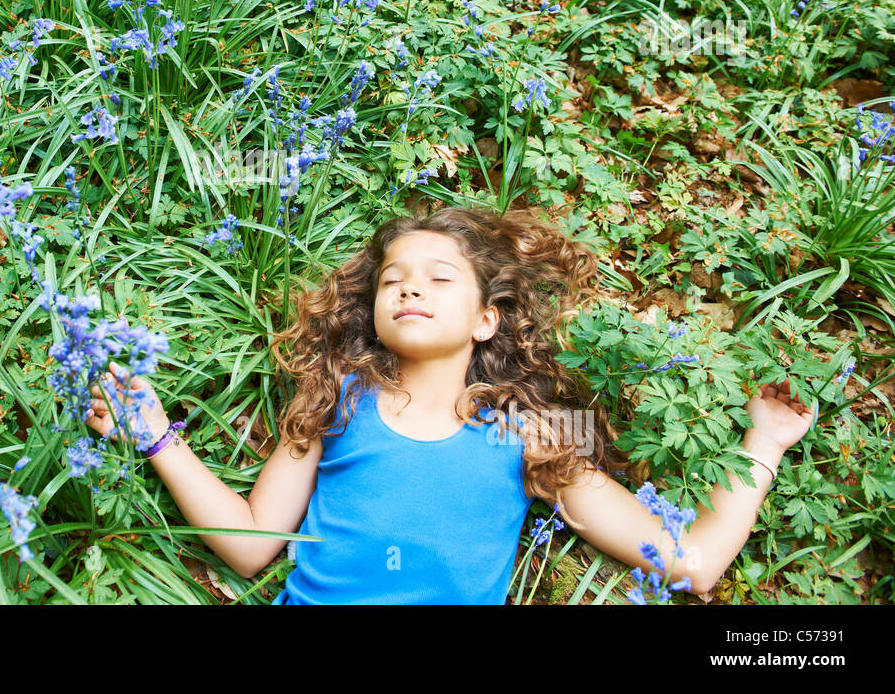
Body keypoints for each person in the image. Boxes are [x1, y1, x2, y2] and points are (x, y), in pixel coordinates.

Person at [83, 204, 816, 603]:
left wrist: (765, 443)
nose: (408, 288)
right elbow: (248, 548)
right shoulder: (337, 403)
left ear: (485, 319)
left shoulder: (530, 435)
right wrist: (156, 437)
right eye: (393, 279)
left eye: (438, 279)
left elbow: (688, 562)